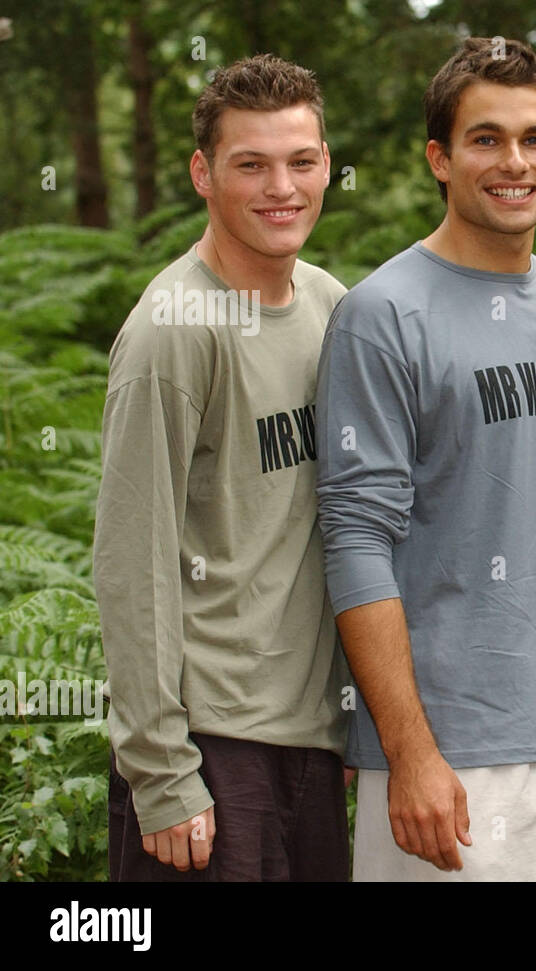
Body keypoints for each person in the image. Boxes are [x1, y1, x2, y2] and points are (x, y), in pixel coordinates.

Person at [314, 37, 536, 882]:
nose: (515, 162)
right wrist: (408, 750)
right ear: (440, 158)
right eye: (485, 138)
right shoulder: (381, 314)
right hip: (450, 753)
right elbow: (354, 540)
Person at [94, 54, 350, 881]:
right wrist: (161, 773)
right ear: (205, 173)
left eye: (302, 161)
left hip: (307, 741)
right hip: (207, 750)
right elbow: (132, 562)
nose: (283, 186)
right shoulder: (174, 333)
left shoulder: (329, 307)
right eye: (252, 164)